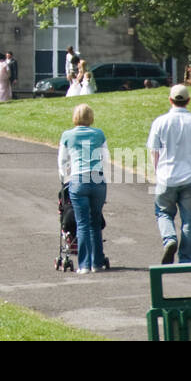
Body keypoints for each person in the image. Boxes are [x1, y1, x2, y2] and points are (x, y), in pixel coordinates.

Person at [147, 84, 191, 264]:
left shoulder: (160, 122)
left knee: (163, 213)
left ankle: (169, 239)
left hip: (166, 177)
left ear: (170, 100)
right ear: (188, 101)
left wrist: (156, 173)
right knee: (189, 219)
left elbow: (154, 152)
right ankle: (185, 259)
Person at [58, 104, 109, 274]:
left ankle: (84, 265)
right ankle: (97, 262)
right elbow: (106, 157)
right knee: (95, 221)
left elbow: (62, 161)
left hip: (79, 179)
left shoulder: (67, 135)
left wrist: (64, 176)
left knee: (82, 223)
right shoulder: (99, 134)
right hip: (97, 178)